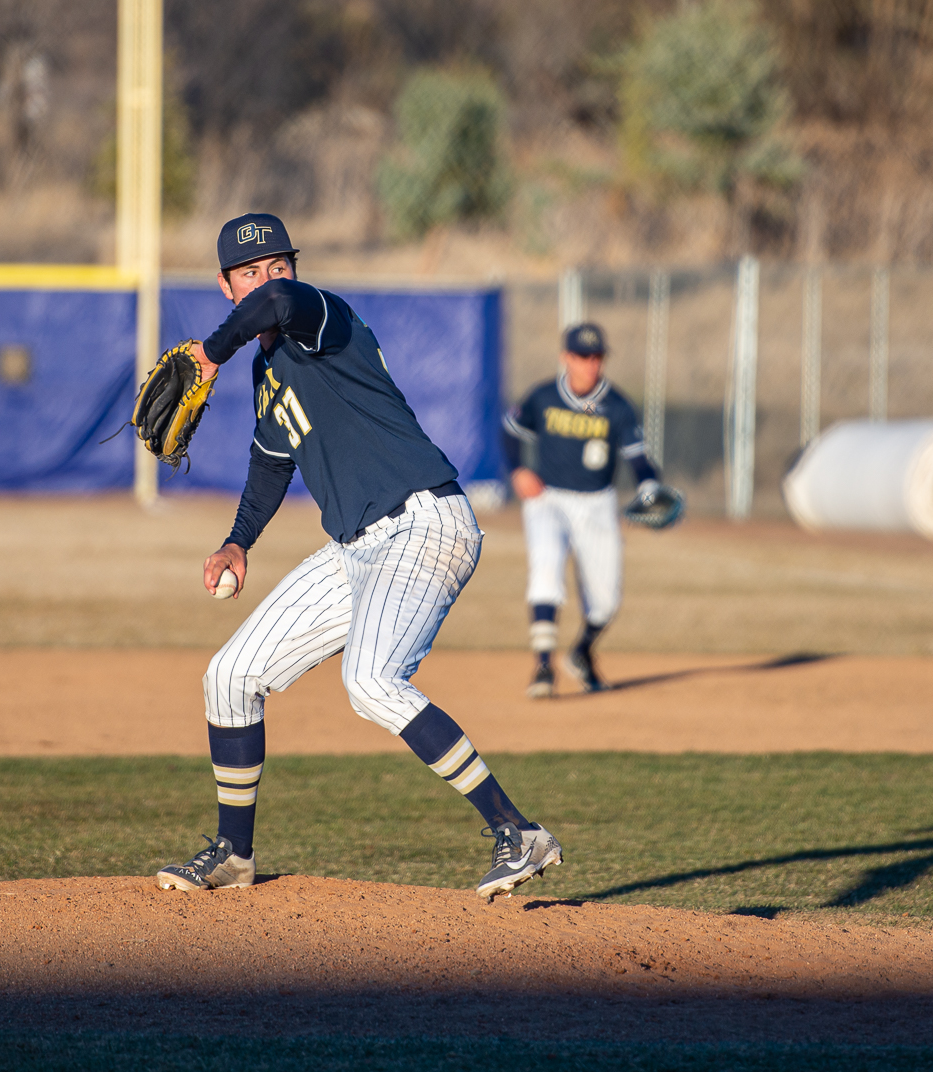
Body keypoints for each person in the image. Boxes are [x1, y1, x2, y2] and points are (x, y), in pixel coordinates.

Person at [154, 213, 562, 901]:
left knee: (371, 682)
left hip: (425, 523)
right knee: (229, 676)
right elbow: (270, 462)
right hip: (356, 548)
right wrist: (237, 542)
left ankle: (518, 832)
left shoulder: (319, 318)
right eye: (249, 272)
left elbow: (279, 304)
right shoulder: (267, 370)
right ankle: (233, 854)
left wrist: (208, 353)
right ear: (225, 286)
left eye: (277, 263)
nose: (266, 279)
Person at [501, 321, 663, 697]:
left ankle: (581, 652)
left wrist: (649, 485)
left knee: (606, 602)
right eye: (582, 356)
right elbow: (510, 430)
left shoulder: (617, 406)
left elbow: (639, 458)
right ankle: (543, 667)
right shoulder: (543, 396)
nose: (590, 364)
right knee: (547, 566)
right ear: (566, 358)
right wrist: (518, 470)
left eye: (596, 357)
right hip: (548, 498)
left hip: (597, 503)